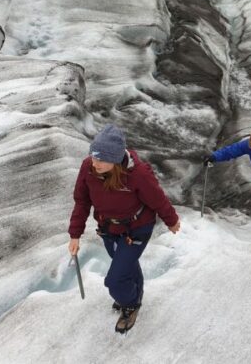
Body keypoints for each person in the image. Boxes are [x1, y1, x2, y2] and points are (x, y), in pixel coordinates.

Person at [68, 125, 180, 334]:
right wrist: (75, 235)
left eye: (101, 159)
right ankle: (135, 293)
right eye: (93, 156)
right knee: (126, 267)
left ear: (115, 159)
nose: (94, 163)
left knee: (115, 280)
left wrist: (171, 220)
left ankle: (130, 304)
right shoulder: (88, 167)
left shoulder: (138, 174)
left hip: (136, 229)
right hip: (108, 229)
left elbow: (158, 199)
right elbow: (82, 202)